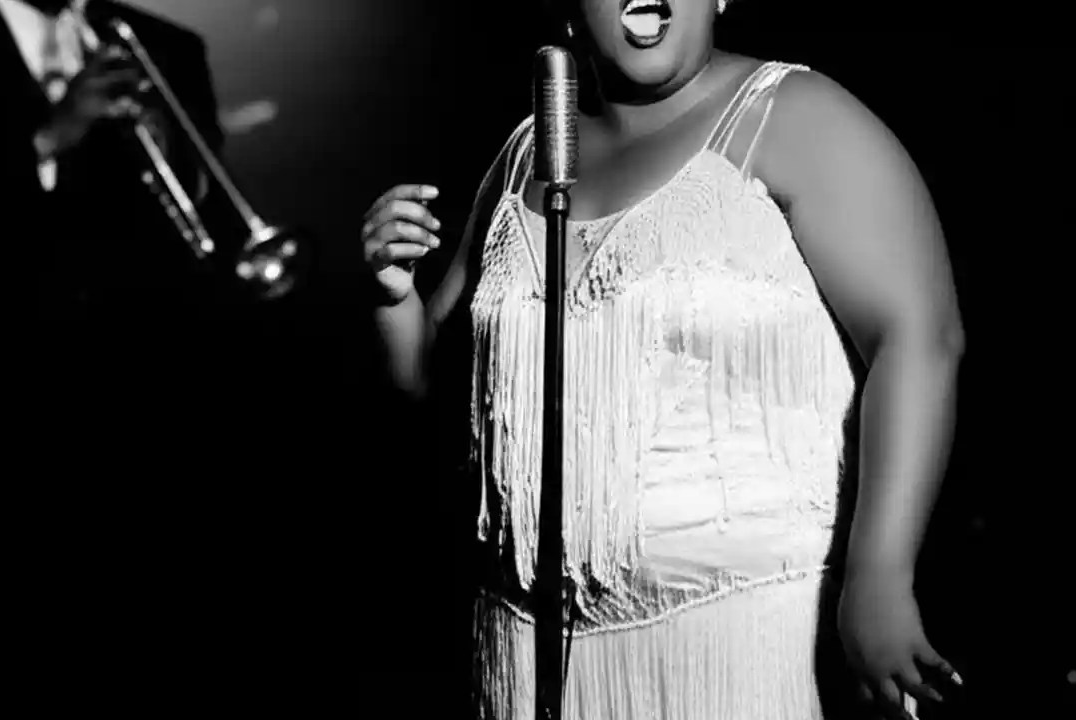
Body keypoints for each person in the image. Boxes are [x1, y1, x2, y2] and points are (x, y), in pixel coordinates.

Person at [363, 0, 966, 718]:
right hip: (526, 655)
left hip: (740, 645)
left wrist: (880, 574)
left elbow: (919, 337)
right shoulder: (530, 151)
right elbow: (433, 388)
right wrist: (391, 296)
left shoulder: (798, 116)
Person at [0, 0, 239, 441]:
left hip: (154, 360)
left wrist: (165, 141)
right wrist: (52, 135)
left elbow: (209, 212)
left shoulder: (170, 45)